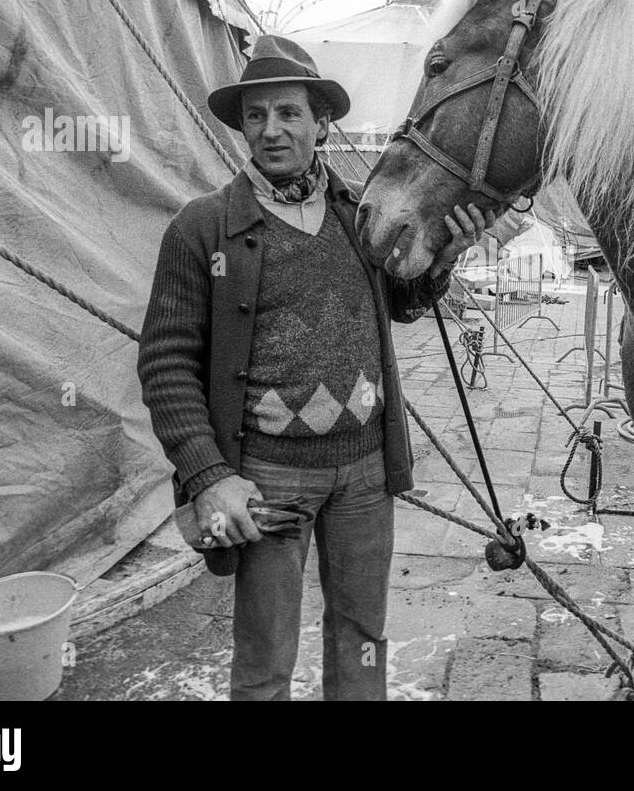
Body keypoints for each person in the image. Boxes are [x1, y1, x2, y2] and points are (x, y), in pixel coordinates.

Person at [137, 36, 494, 699]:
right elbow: (165, 364)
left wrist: (445, 254)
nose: (271, 130)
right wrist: (209, 475)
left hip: (364, 471)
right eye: (256, 115)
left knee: (361, 637)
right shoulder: (202, 229)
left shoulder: (360, 214)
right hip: (268, 476)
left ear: (321, 122)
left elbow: (403, 302)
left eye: (288, 112)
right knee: (265, 655)